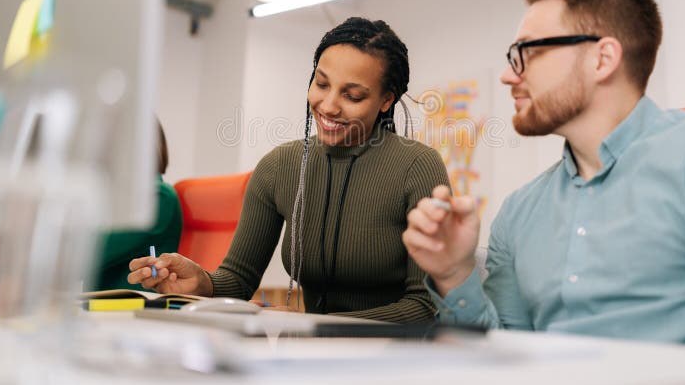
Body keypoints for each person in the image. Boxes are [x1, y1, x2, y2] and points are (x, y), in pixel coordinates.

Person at [403, 0, 685, 348]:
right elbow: (503, 353)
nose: (508, 76)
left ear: (602, 59)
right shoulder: (518, 212)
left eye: (527, 51)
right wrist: (454, 274)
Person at [128, 17, 450, 323]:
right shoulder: (279, 166)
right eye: (321, 84)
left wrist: (316, 326)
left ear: (385, 100)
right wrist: (202, 282)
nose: (328, 105)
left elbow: (425, 305)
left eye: (352, 95)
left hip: (396, 361)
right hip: (310, 356)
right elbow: (238, 279)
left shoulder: (417, 167)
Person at [94, 120, 183, 290]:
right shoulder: (116, 198)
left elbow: (92, 253)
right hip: (101, 307)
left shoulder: (158, 196)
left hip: (133, 308)